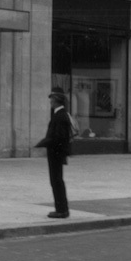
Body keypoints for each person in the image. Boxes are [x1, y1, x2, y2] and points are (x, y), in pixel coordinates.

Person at [38, 86, 74, 218]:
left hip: (56, 153)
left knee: (56, 181)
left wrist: (44, 143)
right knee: (56, 181)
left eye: (52, 99)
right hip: (57, 153)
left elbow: (58, 137)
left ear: (57, 100)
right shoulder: (60, 114)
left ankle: (62, 210)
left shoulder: (60, 116)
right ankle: (61, 208)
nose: (50, 102)